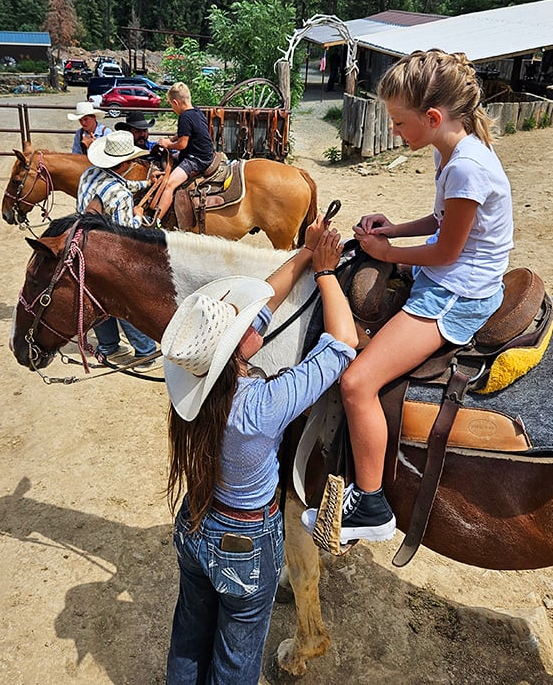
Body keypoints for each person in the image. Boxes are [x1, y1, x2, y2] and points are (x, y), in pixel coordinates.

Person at [304, 49, 514, 548]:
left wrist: (388, 250)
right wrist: (393, 227)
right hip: (450, 277)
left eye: (399, 122)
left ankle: (372, 504)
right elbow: (442, 221)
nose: (395, 131)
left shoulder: (466, 168)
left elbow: (446, 249)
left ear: (433, 117)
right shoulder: (454, 151)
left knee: (356, 382)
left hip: (454, 293)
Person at [162, 217, 358, 685]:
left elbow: (265, 295)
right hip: (246, 547)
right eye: (239, 322)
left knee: (190, 634)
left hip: (197, 526)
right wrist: (328, 274)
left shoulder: (193, 385)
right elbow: (343, 345)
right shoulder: (261, 406)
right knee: (236, 656)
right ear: (237, 350)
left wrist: (308, 254)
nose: (249, 316)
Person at [77, 130, 160, 371]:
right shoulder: (121, 196)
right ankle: (146, 352)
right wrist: (139, 215)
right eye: (131, 160)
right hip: (109, 252)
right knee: (125, 298)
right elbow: (126, 234)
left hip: (86, 245)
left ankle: (108, 345)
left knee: (97, 296)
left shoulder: (88, 174)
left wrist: (145, 184)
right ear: (123, 163)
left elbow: (120, 184)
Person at [154, 81, 215, 219]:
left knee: (170, 184)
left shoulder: (185, 117)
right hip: (203, 154)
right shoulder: (196, 111)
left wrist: (168, 144)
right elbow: (182, 135)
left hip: (196, 159)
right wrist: (170, 140)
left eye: (170, 104)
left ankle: (156, 220)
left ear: (175, 102)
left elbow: (182, 144)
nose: (171, 107)